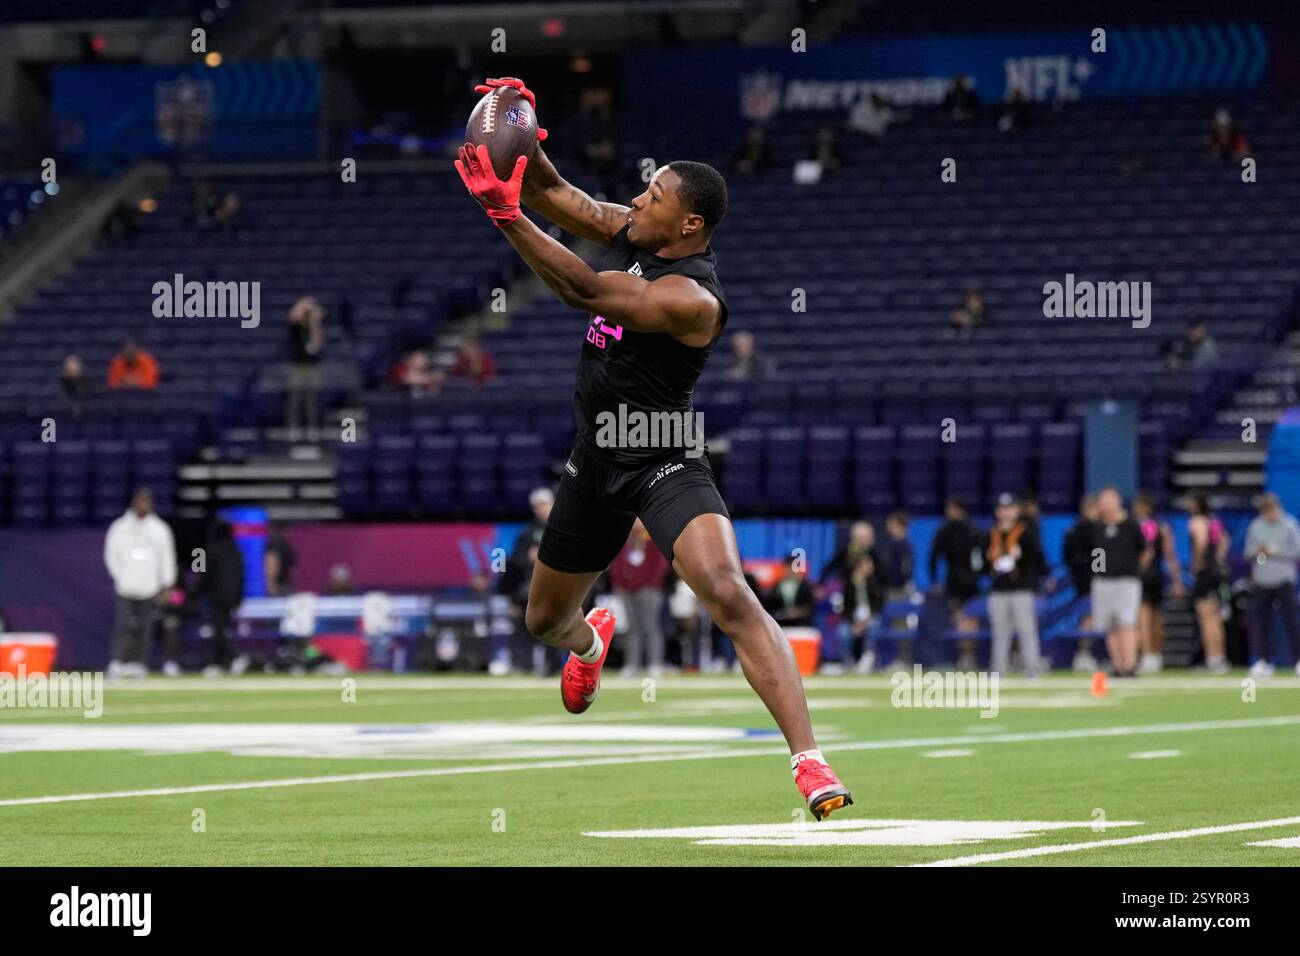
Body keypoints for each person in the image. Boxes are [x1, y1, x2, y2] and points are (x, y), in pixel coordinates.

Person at [454, 75, 852, 819]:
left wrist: (504, 218)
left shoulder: (692, 298)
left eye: (655, 196)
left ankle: (810, 761)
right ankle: (588, 643)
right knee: (543, 620)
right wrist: (520, 133)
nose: (638, 200)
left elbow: (587, 292)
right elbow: (560, 196)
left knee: (726, 588)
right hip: (594, 457)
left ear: (690, 225)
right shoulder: (638, 233)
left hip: (661, 452)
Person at [103, 488, 177, 678]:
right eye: (140, 500)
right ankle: (117, 662)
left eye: (147, 501)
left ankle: (140, 663)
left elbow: (166, 557)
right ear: (134, 502)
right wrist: (120, 576)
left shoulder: (160, 529)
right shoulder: (119, 527)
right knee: (123, 625)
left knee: (146, 627)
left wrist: (167, 582)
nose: (144, 504)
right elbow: (111, 555)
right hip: (125, 587)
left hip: (149, 588)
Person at [985, 493, 1045, 677]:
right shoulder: (992, 533)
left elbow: (1038, 558)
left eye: (1009, 508)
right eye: (1002, 509)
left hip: (1021, 588)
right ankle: (999, 667)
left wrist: (1023, 556)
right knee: (1000, 630)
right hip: (999, 589)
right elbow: (983, 563)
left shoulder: (1026, 530)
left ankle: (1032, 666)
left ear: (1016, 510)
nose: (1005, 513)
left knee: (1026, 629)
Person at [1088, 487, 1145, 677]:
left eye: (1110, 501)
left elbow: (1144, 550)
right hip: (1103, 583)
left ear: (1119, 502)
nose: (1107, 505)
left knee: (1126, 623)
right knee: (1109, 626)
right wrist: (1099, 573)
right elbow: (1096, 554)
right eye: (1103, 501)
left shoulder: (1130, 525)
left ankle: (1130, 665)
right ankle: (1118, 665)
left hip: (1127, 582)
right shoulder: (1096, 527)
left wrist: (1134, 570)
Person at [1244, 493, 1300, 677]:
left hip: (1284, 580)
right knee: (1260, 623)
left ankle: (1298, 660)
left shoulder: (1290, 525)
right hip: (1262, 581)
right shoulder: (1255, 526)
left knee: (1292, 621)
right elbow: (1248, 553)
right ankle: (1263, 661)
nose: (1270, 513)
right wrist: (1259, 552)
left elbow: (1297, 551)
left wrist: (1276, 551)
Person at [929, 496, 985, 670]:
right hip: (967, 581)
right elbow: (981, 559)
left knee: (964, 618)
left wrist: (934, 579)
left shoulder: (953, 530)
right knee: (966, 618)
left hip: (958, 581)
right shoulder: (972, 529)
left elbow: (934, 556)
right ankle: (967, 656)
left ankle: (966, 656)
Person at [609, 519, 670, 677]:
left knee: (651, 627)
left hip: (649, 590)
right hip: (627, 590)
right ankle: (632, 665)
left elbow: (660, 564)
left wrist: (650, 584)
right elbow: (616, 563)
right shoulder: (626, 539)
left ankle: (655, 664)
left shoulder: (653, 537)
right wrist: (620, 584)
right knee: (632, 629)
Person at [1132, 490, 1182, 675]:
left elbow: (1148, 552)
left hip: (1144, 576)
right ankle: (1156, 656)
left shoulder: (1140, 525)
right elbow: (1171, 555)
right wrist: (1177, 580)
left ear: (1142, 507)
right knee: (1156, 618)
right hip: (1158, 576)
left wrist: (1135, 571)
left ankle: (1146, 656)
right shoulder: (1163, 527)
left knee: (1143, 619)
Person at [1187, 492, 1231, 673]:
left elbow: (1201, 541)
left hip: (1205, 573)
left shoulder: (1196, 521)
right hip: (1217, 572)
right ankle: (1219, 659)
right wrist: (1218, 558)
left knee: (1206, 618)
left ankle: (1212, 659)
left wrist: (1197, 563)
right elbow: (1225, 539)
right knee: (1216, 618)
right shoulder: (1214, 521)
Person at [200, 518, 248, 677]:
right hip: (231, 598)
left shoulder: (209, 551)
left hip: (216, 597)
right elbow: (241, 577)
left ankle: (235, 656)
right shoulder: (237, 551)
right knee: (221, 630)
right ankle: (219, 663)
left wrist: (194, 594)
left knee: (218, 631)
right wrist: (239, 598)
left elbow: (203, 574)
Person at [1062, 494, 1100, 671]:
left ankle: (1084, 654)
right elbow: (1099, 554)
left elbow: (1067, 557)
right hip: (1091, 580)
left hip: (1079, 579)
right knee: (1089, 616)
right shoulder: (1093, 529)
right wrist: (1100, 574)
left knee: (1087, 616)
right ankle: (1084, 653)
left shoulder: (1072, 529)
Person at [285, 296, 325, 440]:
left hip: (312, 367)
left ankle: (312, 429)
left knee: (312, 400)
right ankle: (293, 429)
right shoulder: (295, 326)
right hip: (297, 366)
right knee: (295, 399)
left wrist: (314, 321)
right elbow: (293, 316)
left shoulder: (315, 325)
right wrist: (304, 304)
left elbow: (318, 343)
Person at [840, 554, 882, 673]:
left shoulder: (873, 583)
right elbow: (846, 608)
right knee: (843, 632)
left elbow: (877, 605)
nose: (871, 567)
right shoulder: (848, 585)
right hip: (854, 619)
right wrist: (854, 624)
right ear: (859, 567)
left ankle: (867, 659)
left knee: (874, 626)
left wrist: (865, 622)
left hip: (870, 618)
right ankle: (849, 663)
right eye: (868, 565)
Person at [765, 552, 815, 628]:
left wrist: (797, 612)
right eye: (788, 568)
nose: (790, 571)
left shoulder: (805, 586)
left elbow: (810, 607)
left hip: (802, 626)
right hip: (781, 625)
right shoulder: (778, 586)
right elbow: (770, 607)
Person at [876, 510, 915, 600]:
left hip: (898, 591)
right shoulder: (891, 544)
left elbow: (905, 570)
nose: (888, 528)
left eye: (891, 524)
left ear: (900, 526)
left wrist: (896, 585)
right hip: (888, 589)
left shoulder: (905, 547)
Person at [263, 521, 297, 597]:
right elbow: (272, 563)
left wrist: (271, 585)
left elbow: (272, 563)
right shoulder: (280, 543)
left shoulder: (277, 542)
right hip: (282, 588)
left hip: (280, 588)